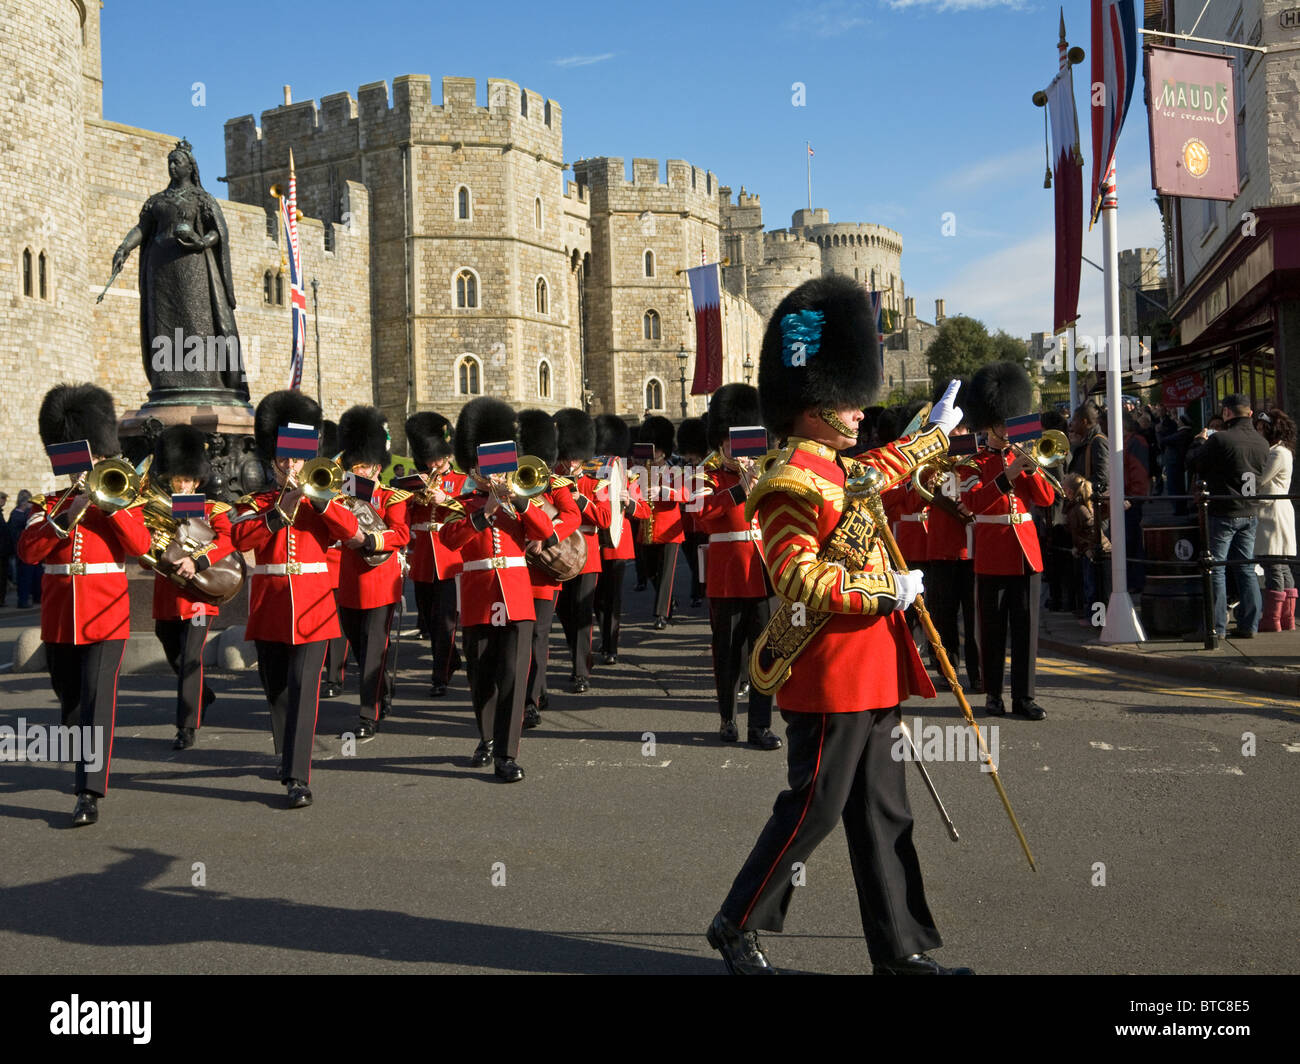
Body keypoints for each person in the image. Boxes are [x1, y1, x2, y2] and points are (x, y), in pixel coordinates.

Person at [707, 274, 970, 977]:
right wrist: (885, 592)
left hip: (872, 668)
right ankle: (737, 922)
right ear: (815, 405)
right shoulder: (789, 479)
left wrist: (934, 438)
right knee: (814, 810)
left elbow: (876, 470)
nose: (861, 412)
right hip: (827, 673)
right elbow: (796, 578)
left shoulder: (832, 463)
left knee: (885, 814)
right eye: (850, 400)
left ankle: (902, 952)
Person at [18, 384, 152, 826]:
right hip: (60, 622)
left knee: (97, 703)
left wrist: (109, 507)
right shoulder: (48, 506)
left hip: (106, 617)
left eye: (93, 458)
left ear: (100, 456)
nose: (87, 466)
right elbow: (28, 552)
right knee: (71, 704)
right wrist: (68, 511)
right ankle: (82, 764)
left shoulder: (118, 501)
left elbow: (140, 543)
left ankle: (88, 791)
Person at [232, 390, 360, 808]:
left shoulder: (325, 500)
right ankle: (285, 754)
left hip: (313, 607)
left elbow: (348, 532)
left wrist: (318, 502)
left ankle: (296, 776)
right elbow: (241, 538)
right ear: (273, 461)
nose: (290, 466)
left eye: (296, 460)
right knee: (278, 692)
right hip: (270, 607)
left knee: (306, 689)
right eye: (283, 460)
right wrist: (279, 510)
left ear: (307, 459)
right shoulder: (257, 502)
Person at [438, 398, 554, 782]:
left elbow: (546, 531)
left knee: (513, 676)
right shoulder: (463, 503)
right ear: (475, 469)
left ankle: (506, 754)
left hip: (517, 597)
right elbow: (448, 539)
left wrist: (518, 502)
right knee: (481, 676)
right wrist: (484, 510)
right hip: (477, 598)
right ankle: (486, 738)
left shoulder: (520, 501)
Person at [111, 139, 247, 402]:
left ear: (190, 167)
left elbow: (218, 232)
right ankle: (169, 380)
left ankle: (206, 378)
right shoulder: (157, 201)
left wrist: (201, 242)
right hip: (161, 272)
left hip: (193, 269)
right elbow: (142, 229)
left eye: (178, 162)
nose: (173, 167)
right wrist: (123, 248)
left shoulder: (202, 199)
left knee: (197, 321)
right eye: (170, 162)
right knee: (164, 325)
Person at [962, 362, 1055, 721]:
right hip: (992, 552)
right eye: (1001, 424)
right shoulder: (972, 463)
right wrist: (1006, 475)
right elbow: (971, 503)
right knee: (992, 630)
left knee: (1026, 630)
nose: (1006, 430)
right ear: (989, 425)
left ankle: (1024, 698)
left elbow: (1046, 500)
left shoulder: (1023, 457)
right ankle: (993, 695)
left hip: (1026, 553)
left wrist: (1030, 471)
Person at [694, 383, 780, 750]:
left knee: (765, 653)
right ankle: (728, 717)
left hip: (761, 575)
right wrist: (739, 490)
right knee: (727, 653)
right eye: (730, 443)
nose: (737, 452)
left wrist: (763, 485)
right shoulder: (705, 475)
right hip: (727, 577)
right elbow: (702, 517)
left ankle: (759, 725)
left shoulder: (768, 472)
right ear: (720, 444)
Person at [144, 424, 235, 750]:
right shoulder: (157, 510)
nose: (181, 484)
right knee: (174, 652)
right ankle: (203, 693)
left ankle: (186, 726)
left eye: (186, 479)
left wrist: (197, 561)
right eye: (176, 479)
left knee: (191, 658)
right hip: (168, 594)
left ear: (197, 481)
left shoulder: (214, 509)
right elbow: (144, 555)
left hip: (198, 596)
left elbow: (227, 541)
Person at [334, 405, 411, 740]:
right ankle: (383, 688)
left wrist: (370, 539)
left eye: (365, 466)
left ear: (377, 467)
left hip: (381, 582)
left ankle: (369, 715)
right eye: (356, 466)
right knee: (360, 647)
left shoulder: (391, 497)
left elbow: (401, 533)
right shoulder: (342, 498)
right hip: (350, 581)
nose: (360, 471)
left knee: (373, 648)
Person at [1186, 393, 1269, 638]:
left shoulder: (1220, 439)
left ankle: (1215, 627)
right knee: (1245, 569)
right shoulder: (1262, 443)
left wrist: (1199, 441)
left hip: (1223, 511)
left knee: (1216, 568)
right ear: (1250, 414)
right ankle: (1250, 625)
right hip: (1249, 511)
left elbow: (1193, 463)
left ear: (1227, 413)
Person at [518, 409, 580, 724]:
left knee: (538, 635)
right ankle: (533, 690)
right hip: (514, 570)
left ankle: (531, 700)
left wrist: (548, 536)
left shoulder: (554, 483)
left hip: (542, 573)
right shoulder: (510, 480)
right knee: (519, 637)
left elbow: (572, 515)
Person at [404, 411, 465, 697]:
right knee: (429, 620)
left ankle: (439, 675)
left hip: (449, 557)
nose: (434, 463)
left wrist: (447, 499)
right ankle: (451, 658)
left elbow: (472, 511)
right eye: (430, 458)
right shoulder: (416, 480)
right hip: (423, 559)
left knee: (445, 619)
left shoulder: (462, 481)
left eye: (438, 458)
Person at [553, 409, 609, 694]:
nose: (570, 462)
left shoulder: (595, 480)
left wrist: (583, 500)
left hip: (588, 552)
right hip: (559, 554)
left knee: (583, 612)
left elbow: (605, 519)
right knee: (564, 612)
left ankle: (580, 671)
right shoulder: (551, 480)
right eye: (567, 456)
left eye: (575, 456)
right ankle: (579, 654)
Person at [592, 416, 649, 664]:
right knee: (596, 599)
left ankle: (610, 645)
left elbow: (645, 511)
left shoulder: (627, 476)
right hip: (594, 545)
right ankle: (605, 637)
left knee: (613, 599)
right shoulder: (591, 471)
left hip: (617, 544)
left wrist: (630, 502)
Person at [638, 416, 685, 630]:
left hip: (669, 530)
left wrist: (663, 491)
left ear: (663, 452)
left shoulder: (674, 471)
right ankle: (668, 601)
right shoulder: (641, 471)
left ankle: (660, 615)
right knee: (649, 572)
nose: (651, 454)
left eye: (655, 450)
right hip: (646, 528)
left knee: (666, 574)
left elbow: (685, 494)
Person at [1254, 410, 1296, 632]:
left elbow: (1260, 478)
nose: (1259, 431)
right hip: (1277, 512)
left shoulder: (1277, 453)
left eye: (1262, 428)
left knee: (1274, 566)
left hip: (1272, 514)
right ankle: (1286, 619)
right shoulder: (1281, 451)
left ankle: (1272, 619)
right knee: (1282, 567)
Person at [676, 416, 709, 608]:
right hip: (687, 521)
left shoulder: (708, 468)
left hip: (703, 521)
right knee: (691, 556)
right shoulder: (683, 469)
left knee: (699, 559)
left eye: (692, 454)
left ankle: (696, 592)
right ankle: (700, 587)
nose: (690, 457)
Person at [9, 491, 41, 608]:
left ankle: (36, 598)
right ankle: (23, 601)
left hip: (29, 551)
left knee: (35, 576)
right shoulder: (17, 515)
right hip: (22, 552)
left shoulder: (23, 514)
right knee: (24, 578)